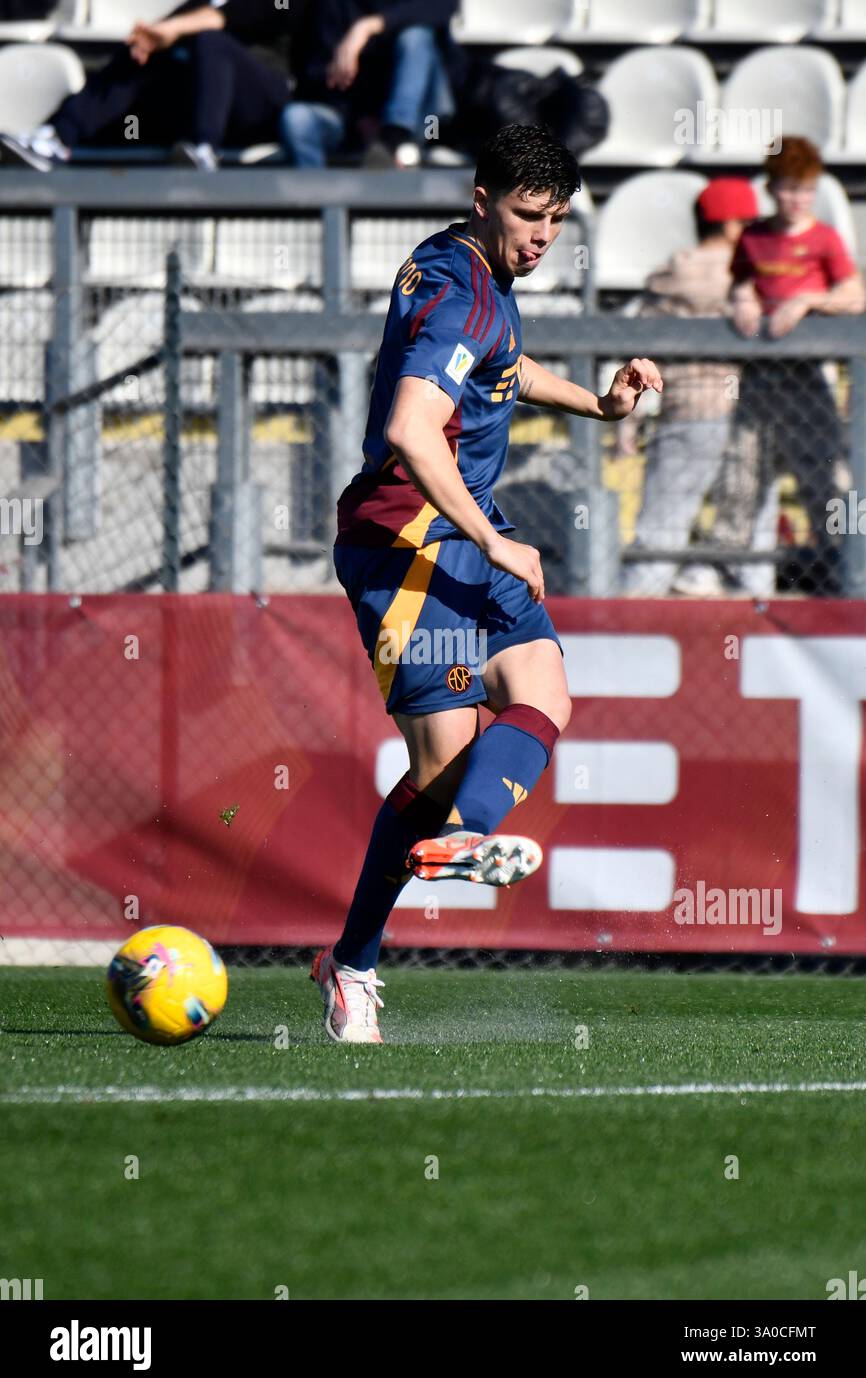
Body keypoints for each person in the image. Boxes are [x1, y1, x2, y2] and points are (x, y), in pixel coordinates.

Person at [311, 124, 663, 1043]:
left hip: (466, 530)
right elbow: (410, 429)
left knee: (543, 691)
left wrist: (598, 402)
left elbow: (501, 367)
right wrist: (491, 541)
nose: (544, 234)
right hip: (406, 540)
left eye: (557, 219)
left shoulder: (470, 271)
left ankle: (464, 837)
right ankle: (351, 961)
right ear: (483, 199)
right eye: (528, 214)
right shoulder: (463, 295)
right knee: (438, 769)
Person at [701, 136, 865, 597]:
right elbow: (740, 284)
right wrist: (743, 299)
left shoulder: (824, 238)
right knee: (740, 475)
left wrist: (808, 300)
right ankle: (727, 569)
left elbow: (855, 295)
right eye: (790, 189)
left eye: (806, 190)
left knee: (822, 480)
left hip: (807, 377)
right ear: (773, 189)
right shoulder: (755, 236)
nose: (798, 199)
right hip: (757, 380)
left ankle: (839, 575)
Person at [624, 177, 758, 597]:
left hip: (686, 409)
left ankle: (629, 625)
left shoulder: (671, 274)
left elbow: (638, 355)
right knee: (750, 539)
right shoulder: (752, 276)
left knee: (661, 530)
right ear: (735, 225)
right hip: (752, 417)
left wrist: (628, 424)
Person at [0, 0, 303, 172]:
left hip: (265, 109)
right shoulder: (198, 5)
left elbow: (232, 17)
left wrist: (171, 30)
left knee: (210, 43)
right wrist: (147, 42)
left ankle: (204, 149)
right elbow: (164, 33)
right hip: (197, 107)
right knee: (143, 52)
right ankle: (58, 137)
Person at [281, 0, 459, 170]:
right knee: (297, 119)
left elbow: (442, 7)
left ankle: (393, 138)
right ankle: (318, 200)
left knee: (416, 37)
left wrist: (369, 26)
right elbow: (315, 74)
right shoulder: (329, 6)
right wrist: (360, 117)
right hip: (350, 119)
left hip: (423, 121)